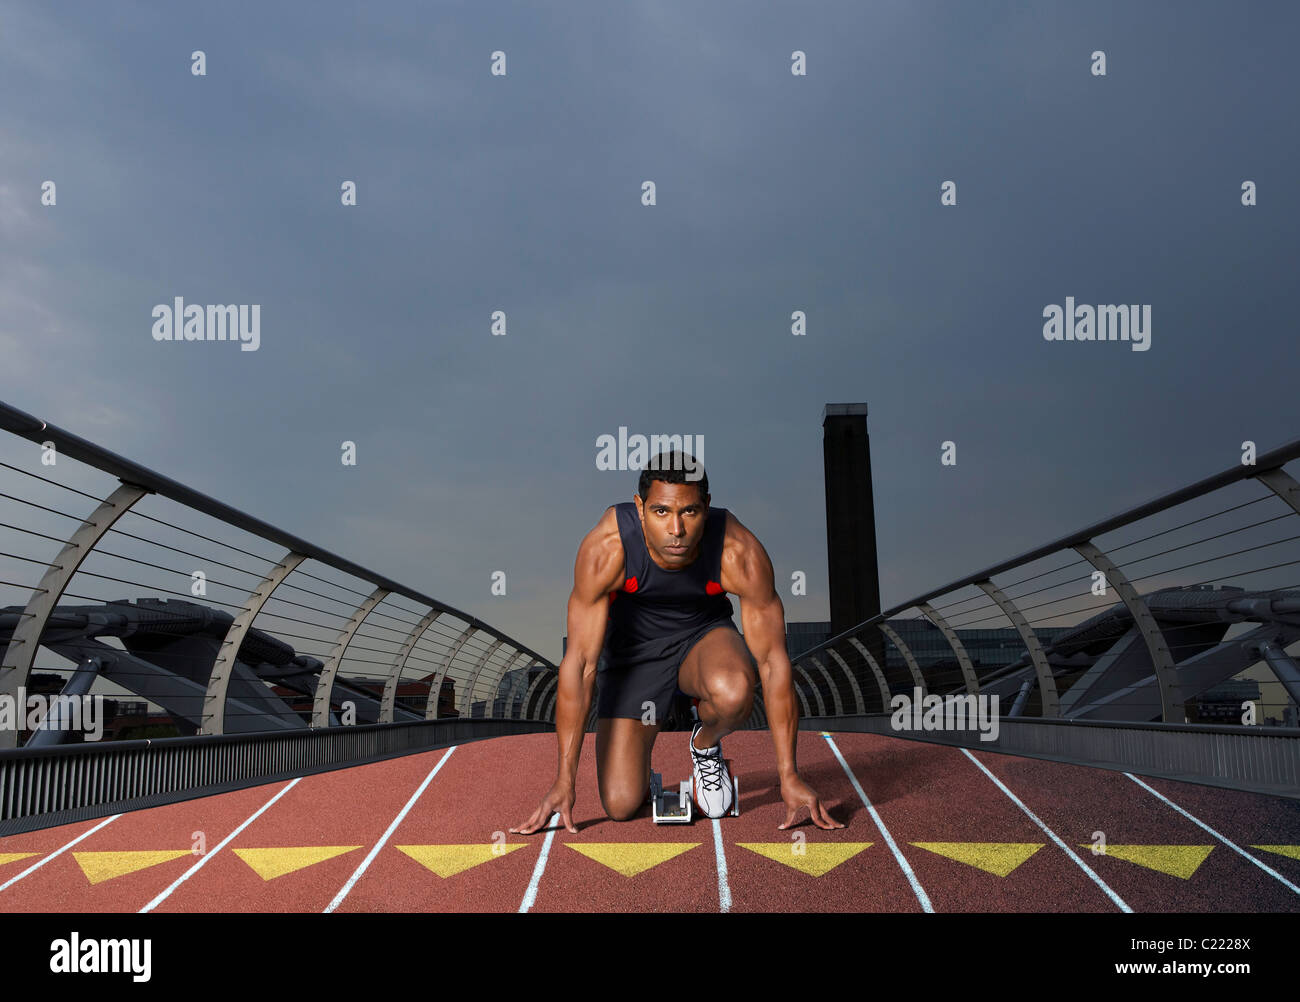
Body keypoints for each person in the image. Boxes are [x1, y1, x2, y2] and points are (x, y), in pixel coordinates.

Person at [512, 451, 844, 835]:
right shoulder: (608, 548)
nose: (676, 530)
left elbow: (772, 662)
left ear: (706, 506)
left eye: (689, 512)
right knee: (620, 804)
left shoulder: (737, 551)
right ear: (639, 508)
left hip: (701, 641)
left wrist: (789, 774)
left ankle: (704, 745)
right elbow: (581, 664)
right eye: (661, 512)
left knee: (735, 691)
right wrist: (563, 781)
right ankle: (639, 766)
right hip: (632, 659)